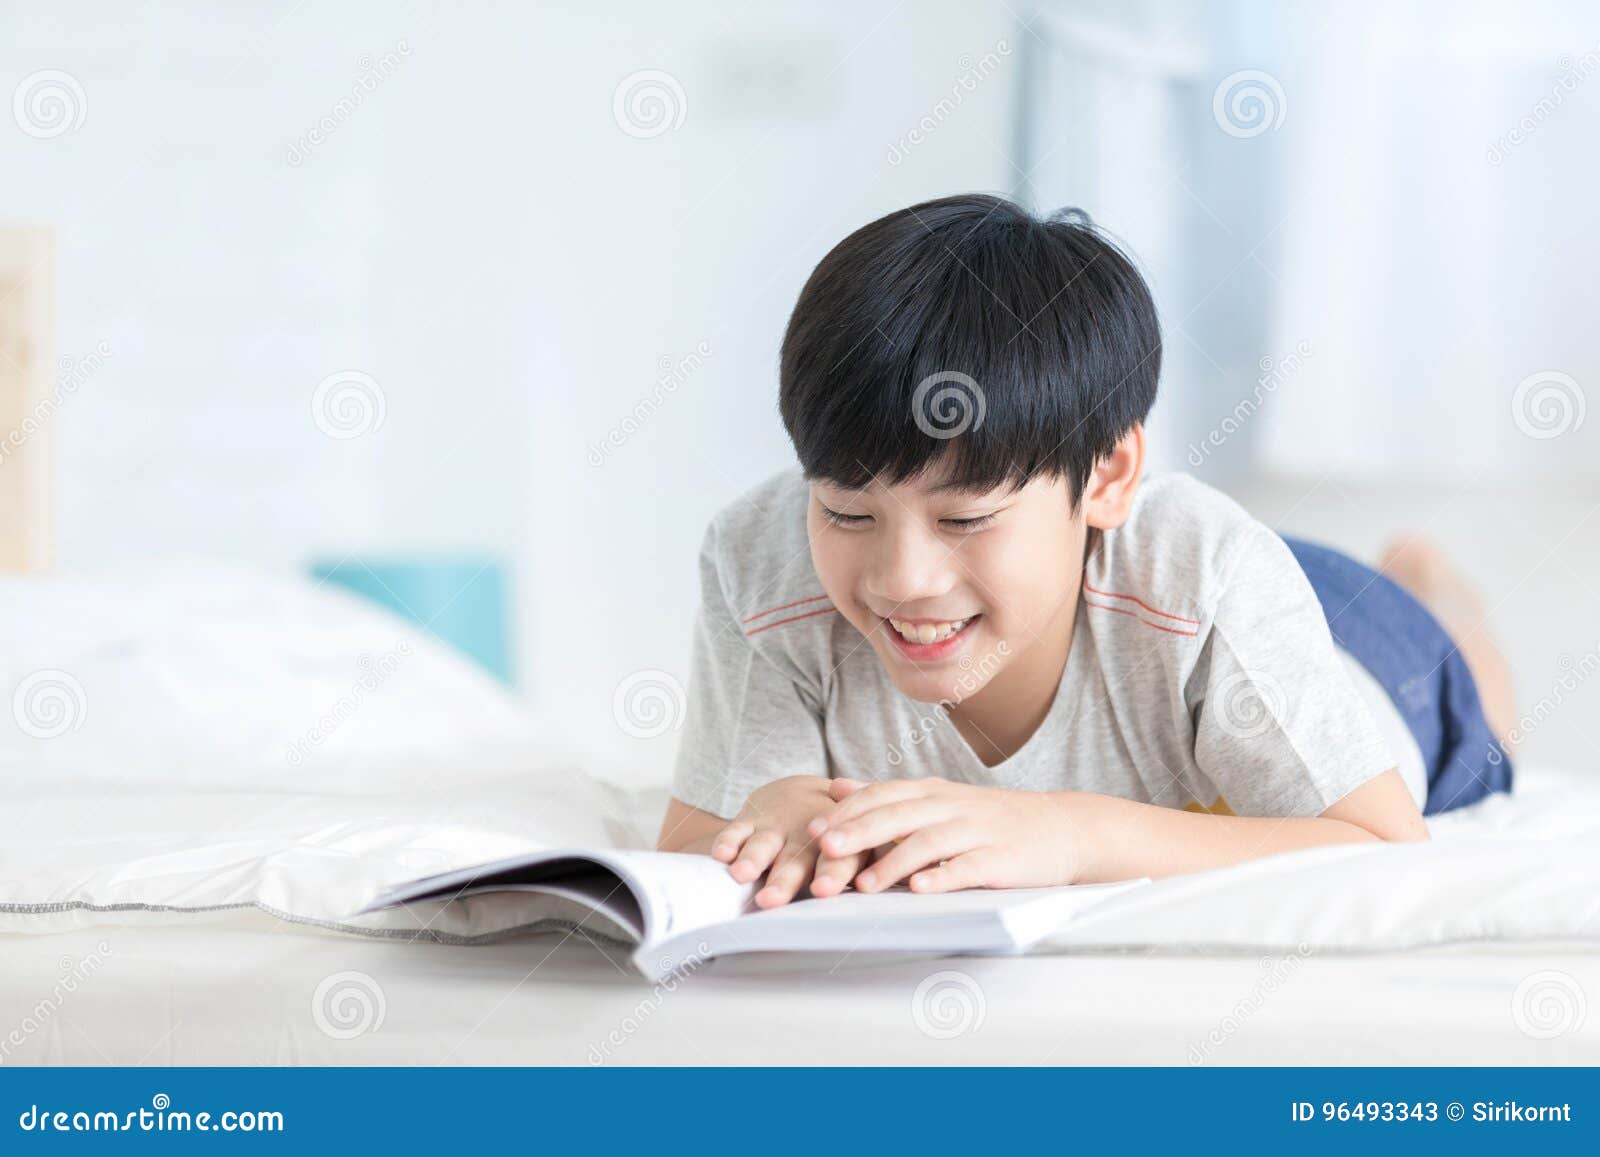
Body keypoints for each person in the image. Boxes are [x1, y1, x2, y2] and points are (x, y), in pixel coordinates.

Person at [656, 193, 1514, 908]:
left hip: (1364, 641)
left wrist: (1071, 832)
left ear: (1109, 474)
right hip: (1156, 592)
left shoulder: (1210, 573)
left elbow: (1383, 843)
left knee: (1473, 720)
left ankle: (1435, 589)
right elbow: (693, 834)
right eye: (847, 513)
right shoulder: (760, 560)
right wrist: (782, 813)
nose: (900, 580)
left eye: (963, 520)